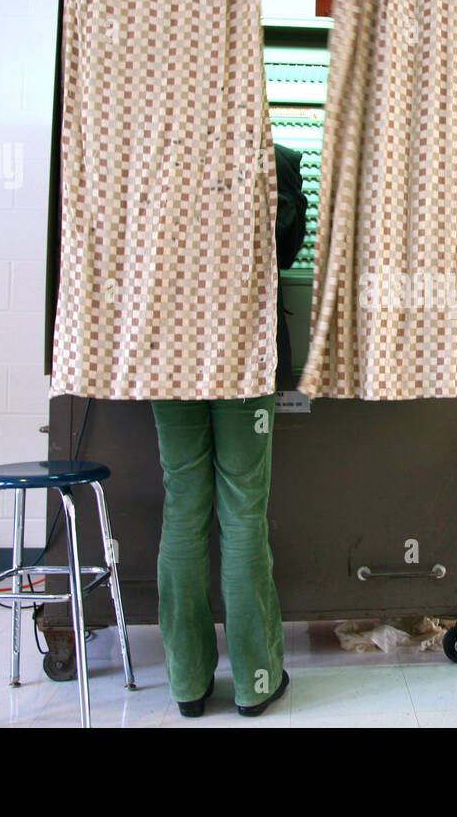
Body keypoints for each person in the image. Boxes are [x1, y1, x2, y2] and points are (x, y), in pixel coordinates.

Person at [148, 145, 305, 720]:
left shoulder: (158, 153)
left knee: (183, 509)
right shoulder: (277, 157)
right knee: (242, 515)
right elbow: (285, 254)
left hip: (168, 353)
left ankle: (188, 684)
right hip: (245, 354)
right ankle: (255, 683)